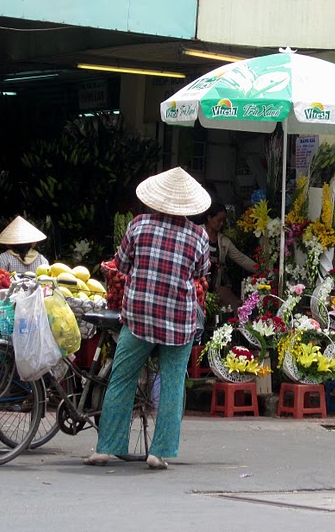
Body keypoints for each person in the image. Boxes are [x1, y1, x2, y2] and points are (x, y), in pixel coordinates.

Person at [84, 166, 211, 470]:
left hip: (138, 316)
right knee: (172, 385)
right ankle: (159, 452)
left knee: (122, 379)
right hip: (178, 321)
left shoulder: (138, 225)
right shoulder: (198, 236)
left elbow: (122, 265)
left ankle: (106, 447)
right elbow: (200, 273)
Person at [201, 202, 256, 311]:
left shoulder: (224, 242)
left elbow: (241, 259)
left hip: (215, 287)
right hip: (198, 287)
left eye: (223, 221)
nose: (221, 224)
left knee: (235, 304)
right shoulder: (197, 234)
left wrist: (260, 269)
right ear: (209, 218)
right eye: (219, 220)